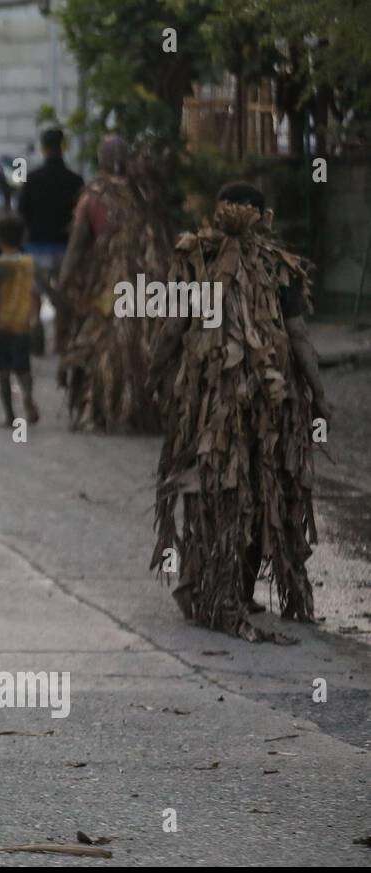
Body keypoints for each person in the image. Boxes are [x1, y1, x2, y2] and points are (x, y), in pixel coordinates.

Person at [149, 182, 330, 643]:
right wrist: (317, 392)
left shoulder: (198, 259)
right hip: (270, 403)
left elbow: (174, 327)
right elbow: (298, 336)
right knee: (258, 486)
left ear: (217, 212)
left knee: (214, 486)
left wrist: (157, 371)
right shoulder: (279, 266)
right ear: (264, 217)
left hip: (211, 402)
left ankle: (213, 586)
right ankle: (239, 592)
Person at [57, 134, 169, 432]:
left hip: (108, 283)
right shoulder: (144, 194)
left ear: (100, 160)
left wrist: (64, 282)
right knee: (145, 342)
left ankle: (105, 409)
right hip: (149, 281)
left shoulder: (92, 197)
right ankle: (144, 409)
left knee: (102, 341)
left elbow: (77, 245)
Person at [0, 213, 39, 427]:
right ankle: (28, 395)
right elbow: (39, 290)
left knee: (3, 372)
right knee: (23, 368)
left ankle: (10, 415)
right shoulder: (30, 263)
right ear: (23, 238)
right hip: (23, 324)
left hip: (3, 325)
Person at [17, 128, 83, 315]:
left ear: (43, 149)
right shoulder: (75, 180)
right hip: (65, 245)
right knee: (65, 293)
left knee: (34, 292)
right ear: (63, 148)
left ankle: (36, 325)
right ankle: (62, 328)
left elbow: (22, 212)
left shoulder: (32, 179)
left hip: (37, 245)